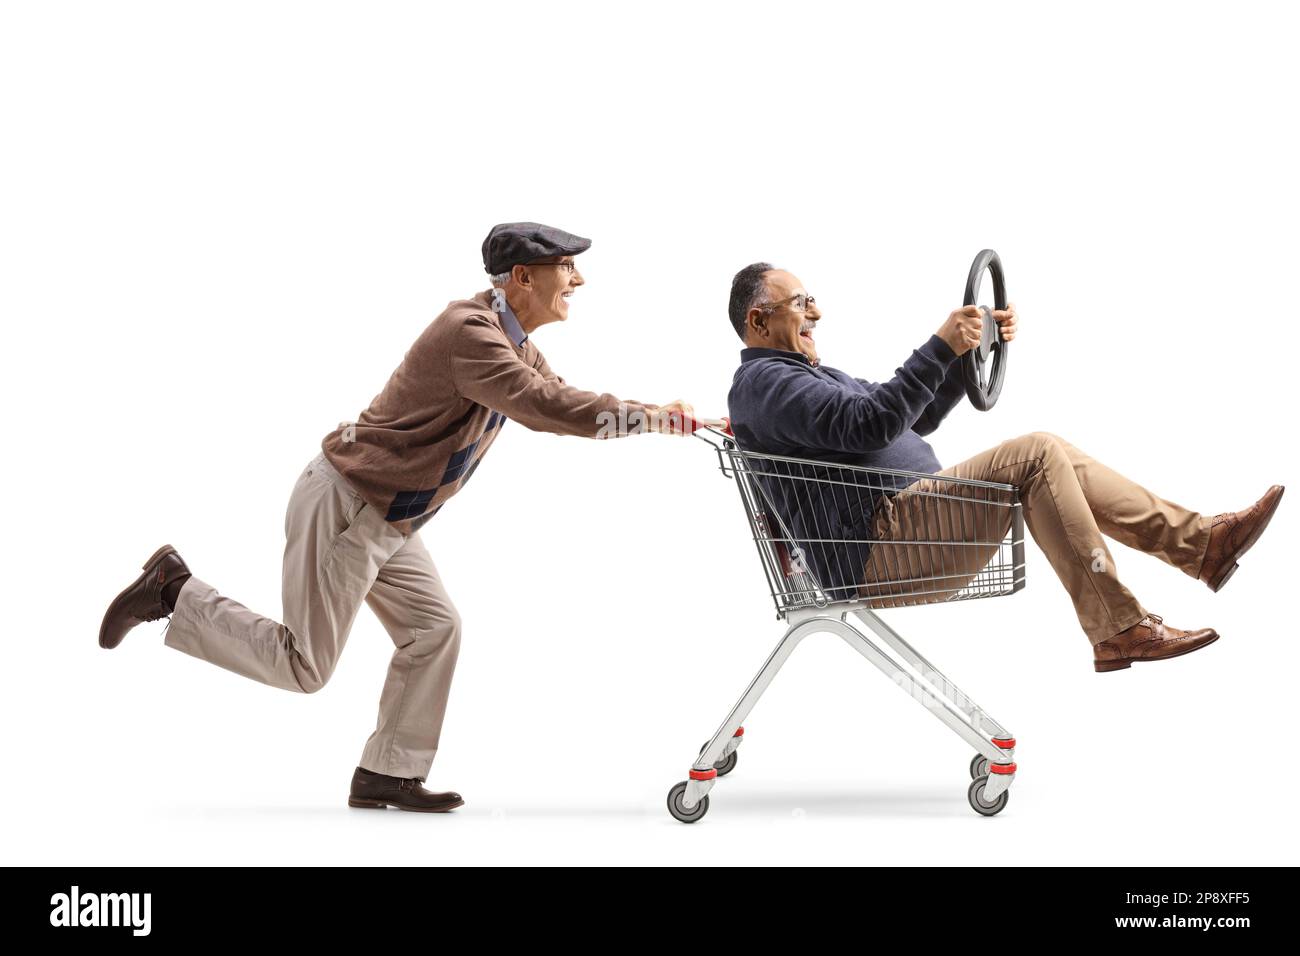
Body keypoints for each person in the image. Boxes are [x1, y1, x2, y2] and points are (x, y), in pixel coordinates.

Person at [98, 223, 694, 810]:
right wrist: (655, 421)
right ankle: (174, 591)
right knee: (303, 665)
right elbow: (543, 406)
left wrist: (654, 415)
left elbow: (559, 396)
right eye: (567, 268)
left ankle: (388, 773)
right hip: (350, 506)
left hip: (387, 517)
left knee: (434, 628)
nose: (578, 279)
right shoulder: (471, 332)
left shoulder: (513, 343)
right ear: (522, 277)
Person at [724, 262, 1283, 672]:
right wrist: (940, 346)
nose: (816, 311)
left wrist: (966, 354)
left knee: (1051, 455)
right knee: (1037, 453)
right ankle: (1125, 619)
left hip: (912, 524)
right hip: (882, 546)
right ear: (758, 319)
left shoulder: (806, 376)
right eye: (801, 302)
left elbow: (906, 422)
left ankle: (1199, 548)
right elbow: (872, 423)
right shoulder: (766, 384)